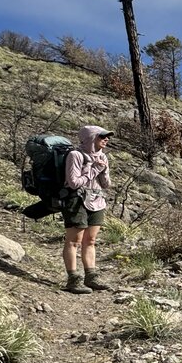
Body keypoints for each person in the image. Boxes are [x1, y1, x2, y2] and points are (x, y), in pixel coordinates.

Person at [61, 125, 114, 294]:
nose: (106, 139)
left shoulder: (102, 157)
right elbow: (73, 182)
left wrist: (103, 170)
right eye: (102, 136)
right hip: (77, 200)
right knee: (74, 241)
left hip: (97, 201)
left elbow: (106, 184)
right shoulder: (75, 155)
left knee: (90, 241)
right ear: (91, 137)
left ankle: (91, 277)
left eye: (107, 137)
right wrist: (94, 169)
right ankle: (73, 279)